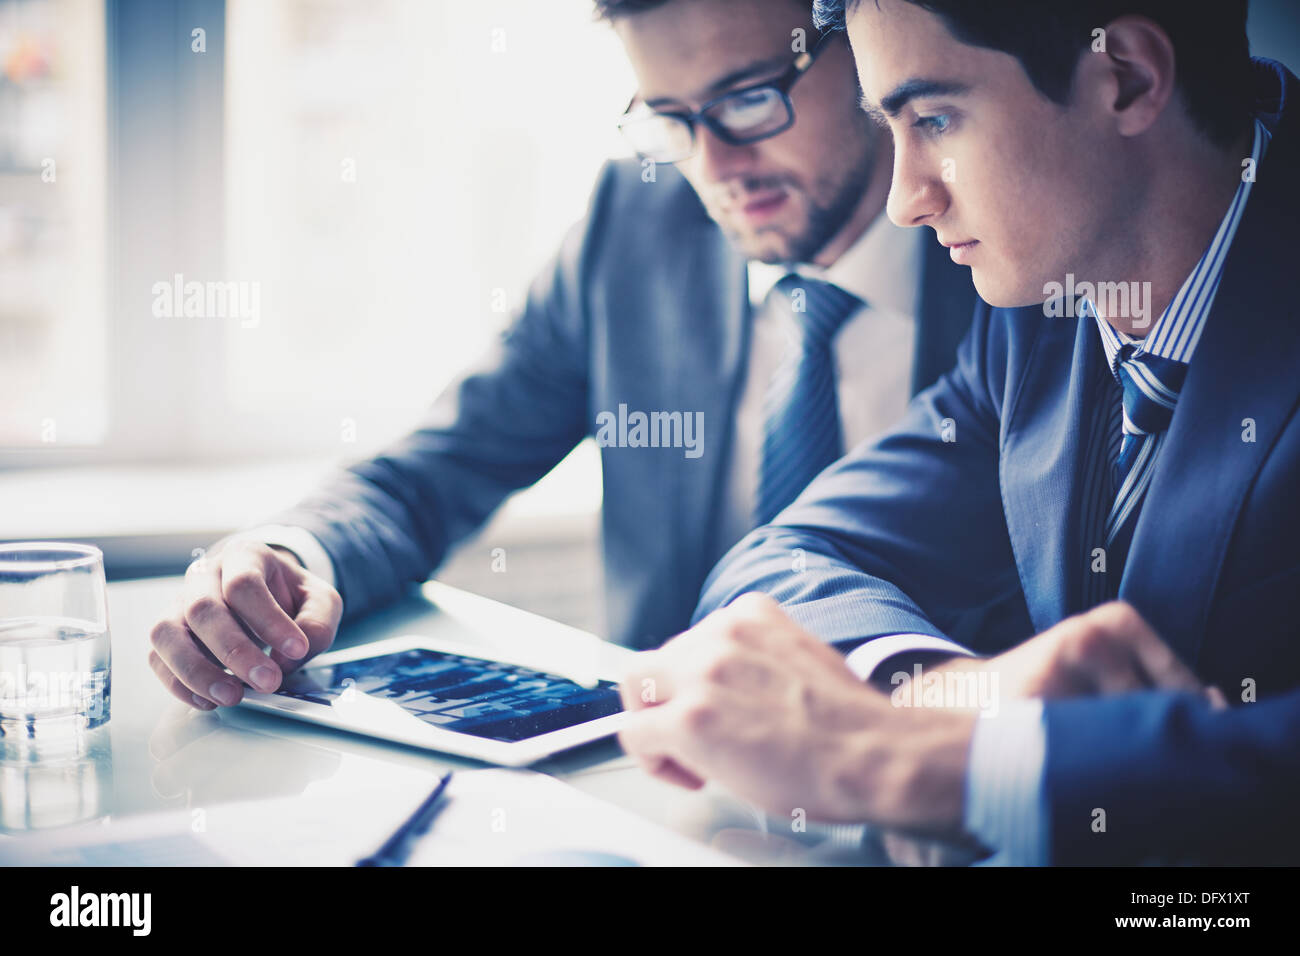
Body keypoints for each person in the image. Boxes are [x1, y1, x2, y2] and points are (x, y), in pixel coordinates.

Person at [145, 0, 974, 712]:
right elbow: (436, 471)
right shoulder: (638, 224)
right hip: (664, 777)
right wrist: (289, 557)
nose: (714, 167)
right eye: (671, 119)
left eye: (749, 100)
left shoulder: (1001, 261)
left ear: (862, 53)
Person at [617, 0, 1300, 865]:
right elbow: (788, 555)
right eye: (888, 126)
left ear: (1125, 78)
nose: (905, 199)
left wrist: (923, 764)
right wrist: (947, 694)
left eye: (934, 118)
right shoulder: (1043, 306)